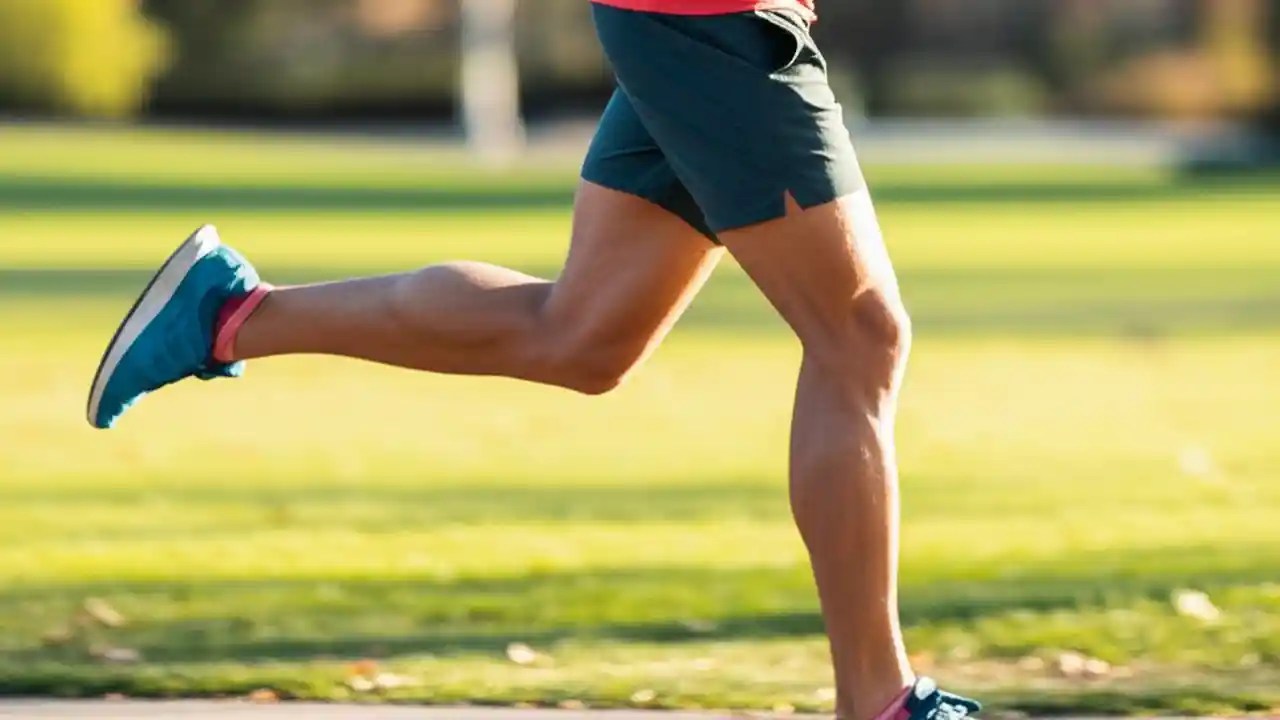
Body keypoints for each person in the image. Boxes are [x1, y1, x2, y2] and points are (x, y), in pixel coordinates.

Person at [86, 1, 981, 718]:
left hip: (697, 22)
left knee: (584, 337)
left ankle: (229, 315)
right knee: (860, 336)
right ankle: (881, 702)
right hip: (713, 19)